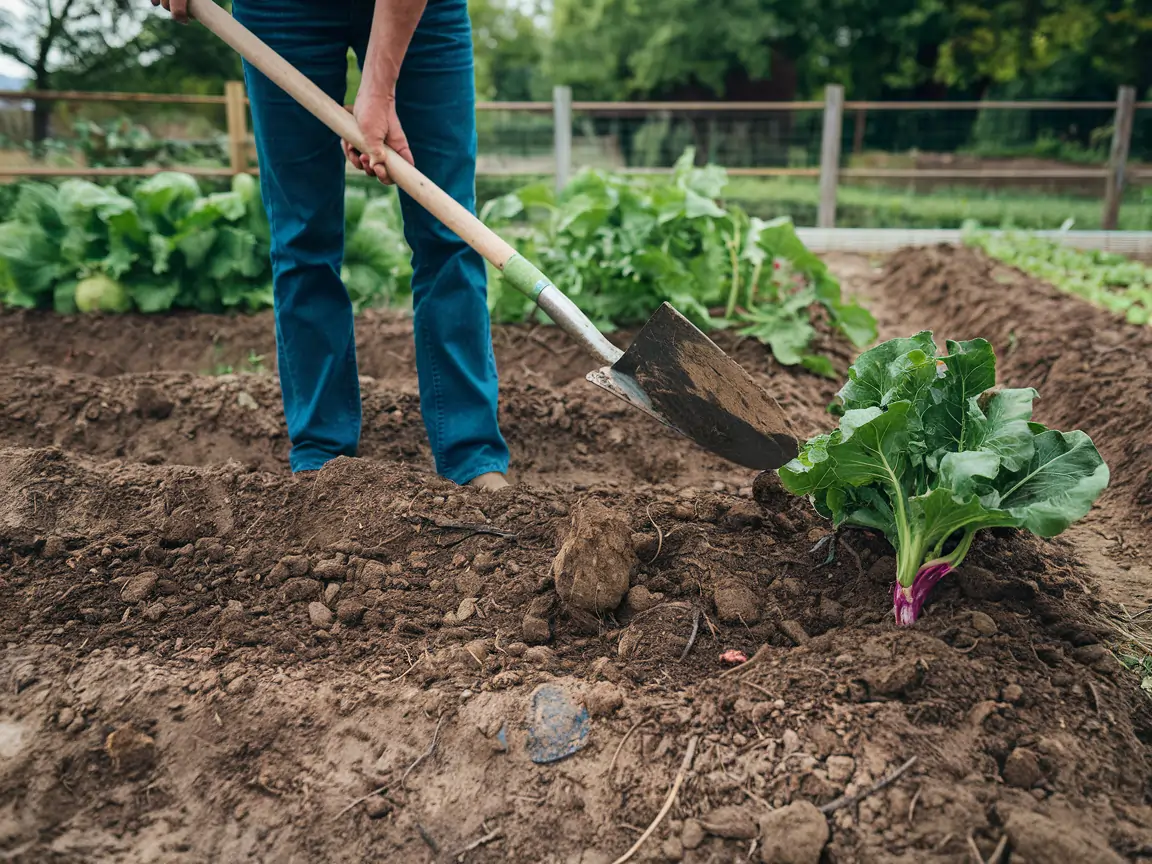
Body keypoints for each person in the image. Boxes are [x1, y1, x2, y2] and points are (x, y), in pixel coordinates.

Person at [154, 0, 510, 491]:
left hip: (420, 12)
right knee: (302, 237)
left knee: (449, 230)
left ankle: (472, 455)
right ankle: (322, 457)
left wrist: (380, 92)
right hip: (282, 11)